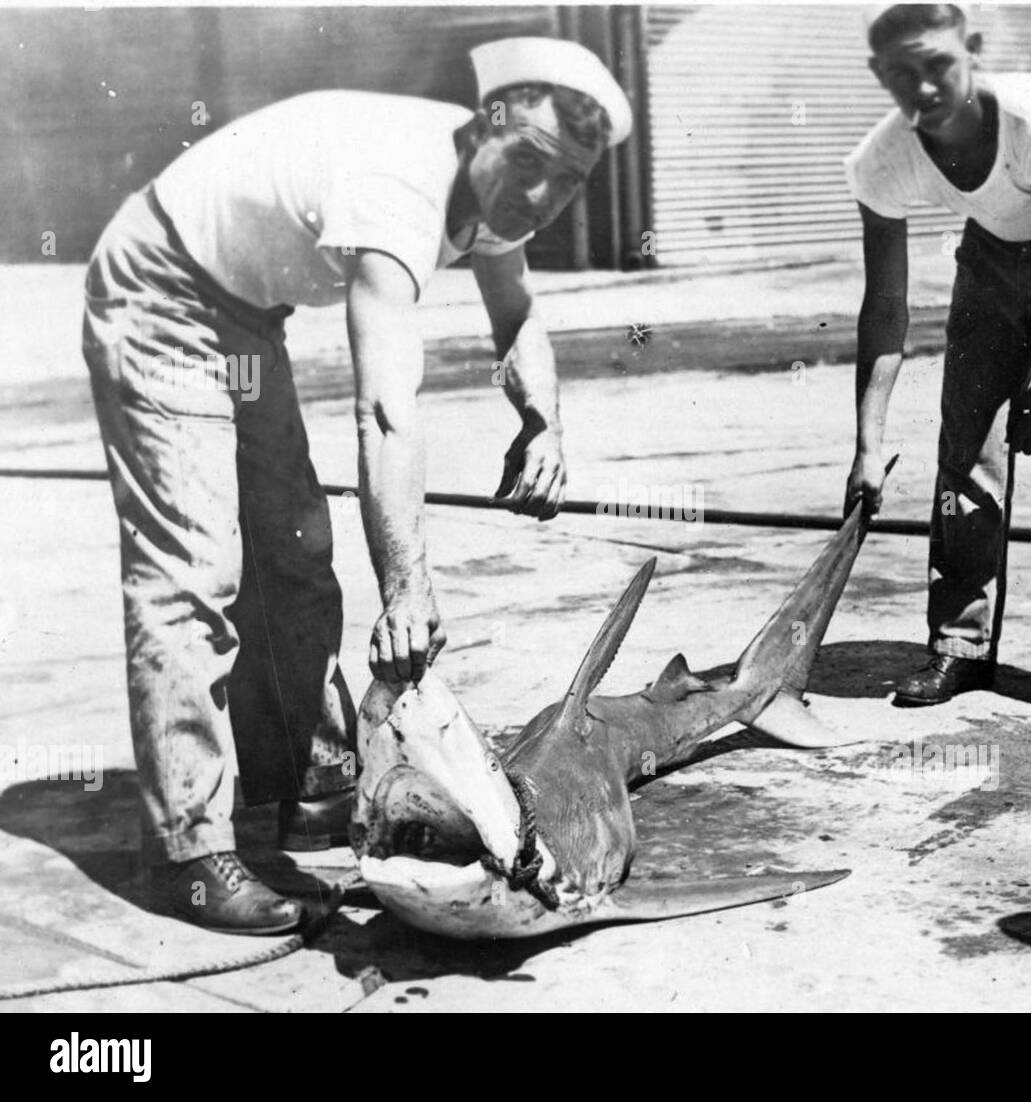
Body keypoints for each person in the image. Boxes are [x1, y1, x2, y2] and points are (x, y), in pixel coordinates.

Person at [81, 37, 632, 934]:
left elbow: (515, 309)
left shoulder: (504, 186)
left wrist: (546, 422)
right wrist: (410, 589)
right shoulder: (401, 187)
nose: (539, 196)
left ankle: (303, 777)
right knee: (195, 571)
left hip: (244, 316)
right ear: (484, 124)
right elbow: (385, 412)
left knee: (296, 544)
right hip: (161, 291)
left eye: (567, 181)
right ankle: (187, 851)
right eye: (528, 164)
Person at [843, 5, 1031, 726]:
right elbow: (884, 308)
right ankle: (961, 645)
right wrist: (866, 443)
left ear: (972, 52)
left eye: (938, 64)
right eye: (901, 74)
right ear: (877, 76)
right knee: (966, 450)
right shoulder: (880, 161)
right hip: (990, 252)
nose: (922, 88)